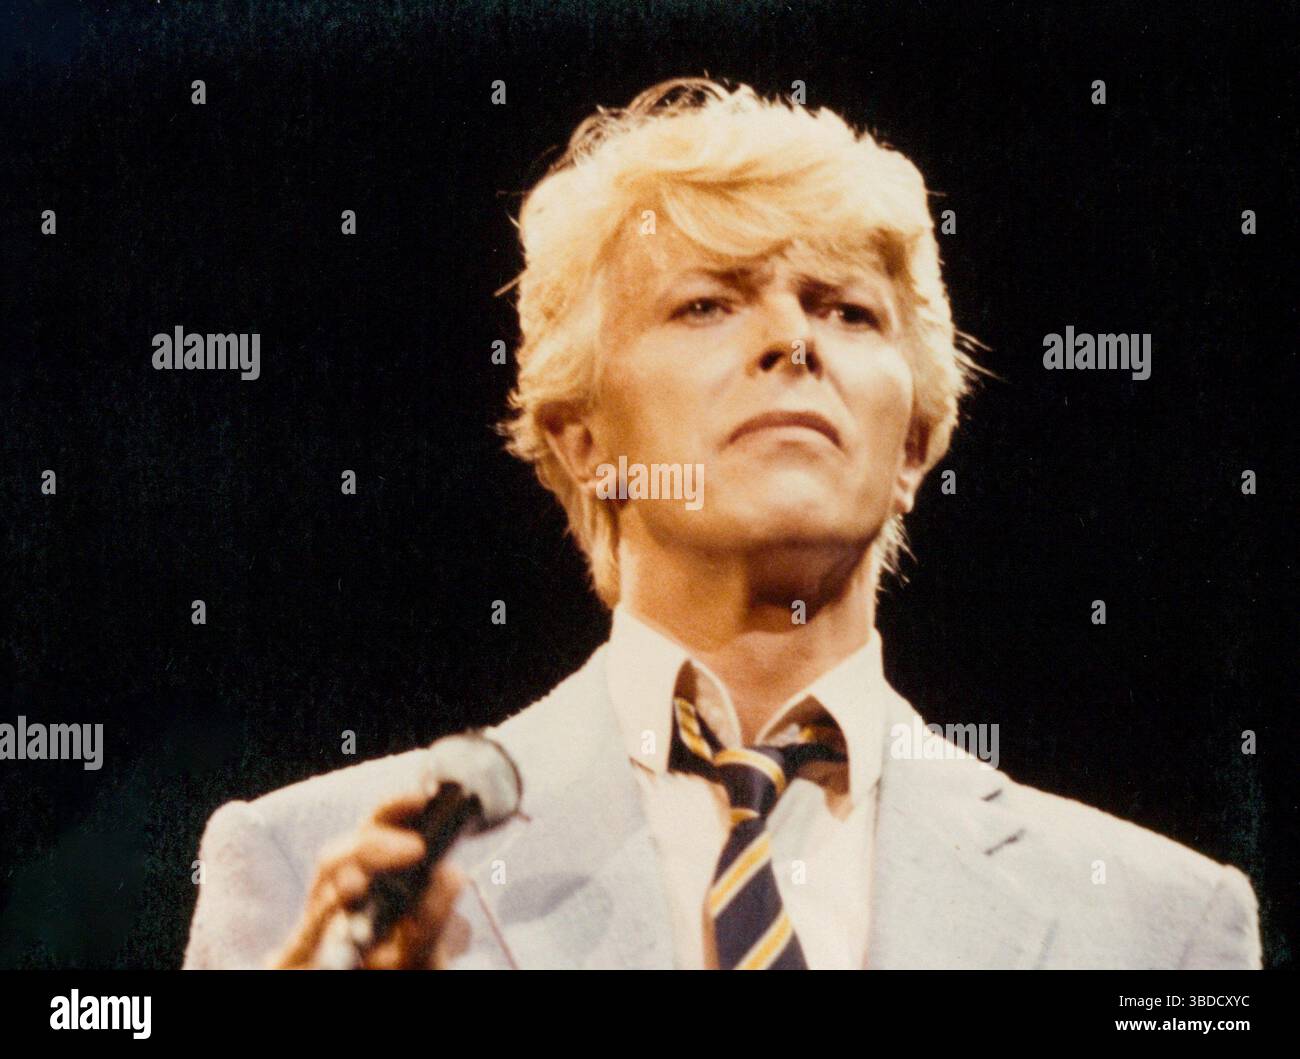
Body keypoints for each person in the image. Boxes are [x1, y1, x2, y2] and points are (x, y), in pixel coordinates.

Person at [183, 78, 1262, 970]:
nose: (793, 340)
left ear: (915, 446)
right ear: (582, 440)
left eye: (846, 310)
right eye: (707, 303)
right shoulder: (306, 865)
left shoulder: (1161, 928)